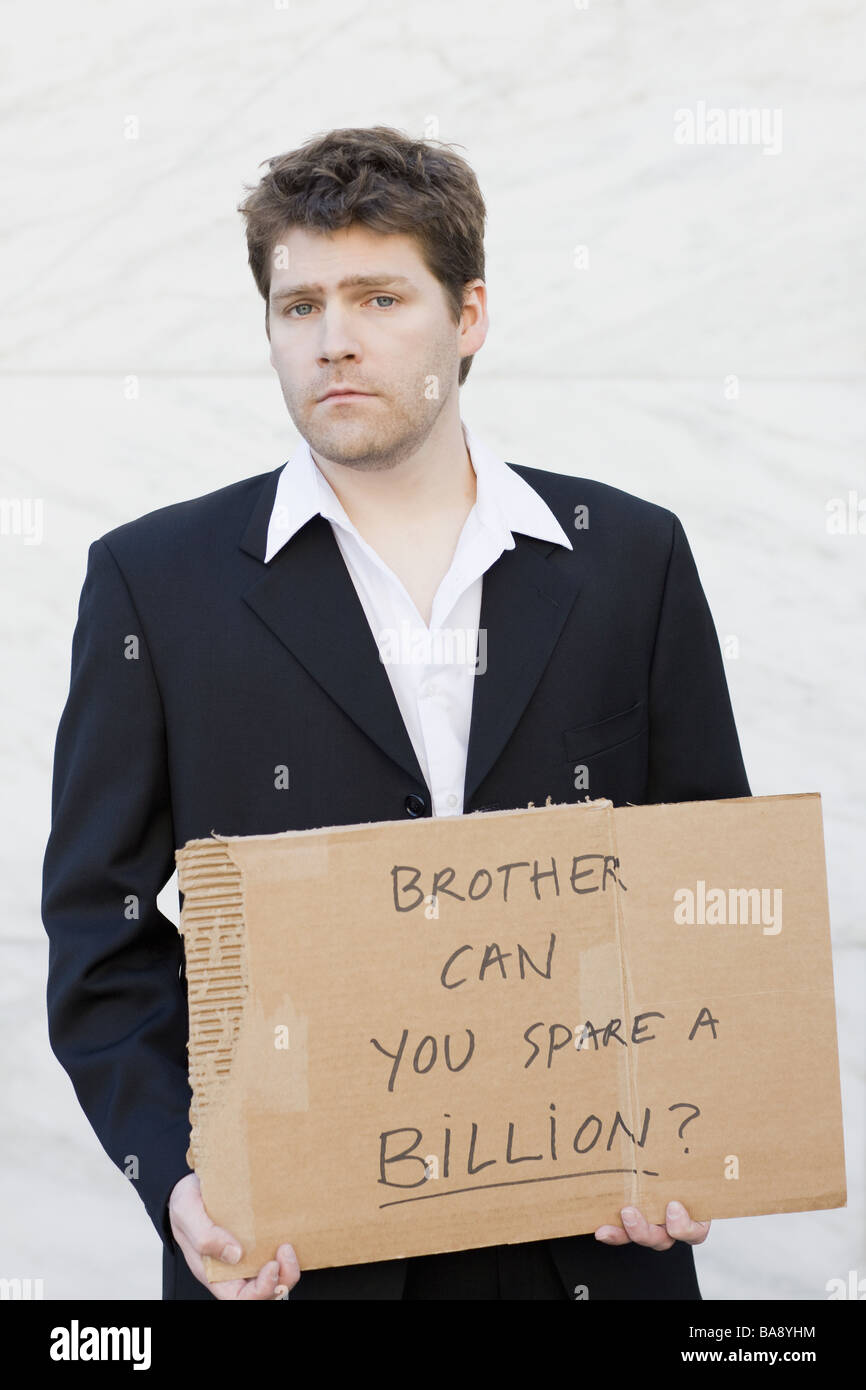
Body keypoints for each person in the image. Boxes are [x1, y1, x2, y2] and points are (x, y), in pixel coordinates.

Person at [41, 126, 750, 1301]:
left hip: (587, 1246)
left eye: (378, 295)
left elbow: (711, 885)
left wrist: (693, 1127)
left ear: (467, 317)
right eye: (298, 304)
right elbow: (98, 933)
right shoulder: (150, 583)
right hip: (293, 1261)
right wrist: (179, 1177)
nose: (334, 340)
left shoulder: (629, 556)